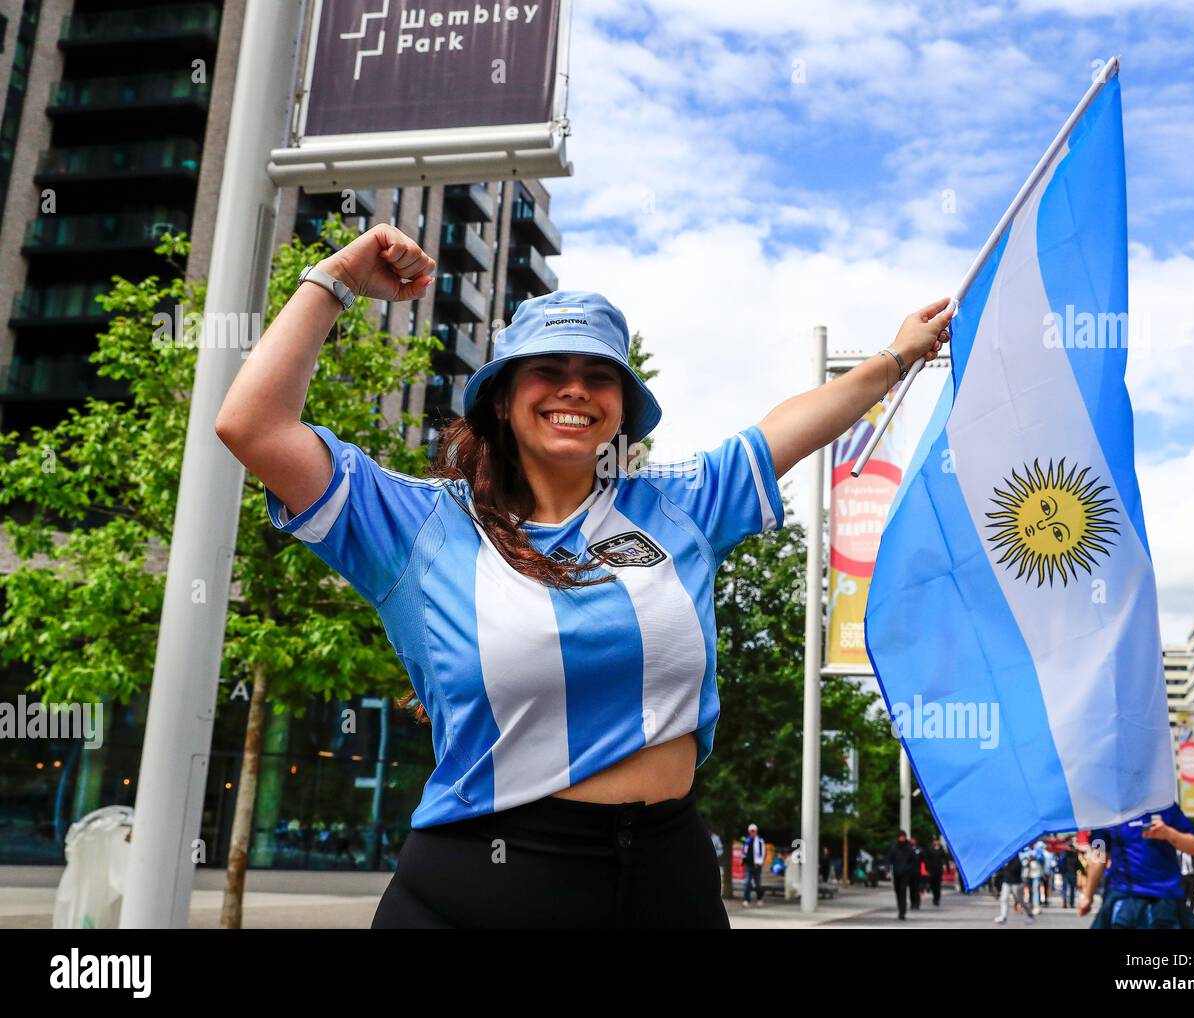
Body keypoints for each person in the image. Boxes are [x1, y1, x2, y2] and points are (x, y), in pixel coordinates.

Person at [214, 223, 954, 928]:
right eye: (549, 370)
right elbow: (253, 426)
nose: (574, 389)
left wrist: (898, 355)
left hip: (670, 880)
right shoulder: (414, 524)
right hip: (486, 885)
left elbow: (790, 425)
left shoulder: (678, 502)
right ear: (502, 398)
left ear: (622, 408)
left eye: (598, 375)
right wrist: (338, 280)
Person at [1079, 805, 1194, 929]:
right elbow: (1098, 857)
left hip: (1166, 894)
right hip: (1125, 894)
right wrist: (1088, 895)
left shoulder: (1166, 805)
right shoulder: (1107, 813)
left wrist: (1169, 833)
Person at [993, 851, 1034, 925]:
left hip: (1016, 882)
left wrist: (1007, 867)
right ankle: (1003, 917)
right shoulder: (1004, 857)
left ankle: (1030, 914)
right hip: (1006, 882)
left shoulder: (1015, 856)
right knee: (1003, 899)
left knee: (1020, 900)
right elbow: (1001, 870)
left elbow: (1017, 869)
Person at [887, 831, 915, 920]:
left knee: (903, 891)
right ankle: (900, 907)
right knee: (897, 891)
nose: (902, 838)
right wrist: (888, 870)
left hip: (906, 873)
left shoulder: (909, 848)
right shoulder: (894, 847)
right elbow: (889, 859)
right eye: (900, 837)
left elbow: (913, 860)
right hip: (896, 873)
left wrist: (910, 870)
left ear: (905, 837)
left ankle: (902, 912)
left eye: (903, 837)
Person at [742, 823, 766, 908]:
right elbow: (744, 852)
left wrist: (761, 861)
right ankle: (746, 899)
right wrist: (743, 861)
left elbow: (762, 852)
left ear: (756, 831)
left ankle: (760, 898)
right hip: (749, 864)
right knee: (747, 883)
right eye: (751, 831)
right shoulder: (747, 841)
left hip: (757, 865)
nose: (752, 833)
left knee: (758, 884)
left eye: (754, 831)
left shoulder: (760, 841)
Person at [927, 837, 948, 906]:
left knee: (938, 884)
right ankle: (934, 896)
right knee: (933, 884)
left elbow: (945, 858)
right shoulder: (930, 849)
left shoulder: (941, 849)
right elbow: (927, 859)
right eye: (934, 841)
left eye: (937, 841)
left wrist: (944, 865)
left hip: (939, 869)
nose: (936, 842)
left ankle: (937, 899)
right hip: (931, 869)